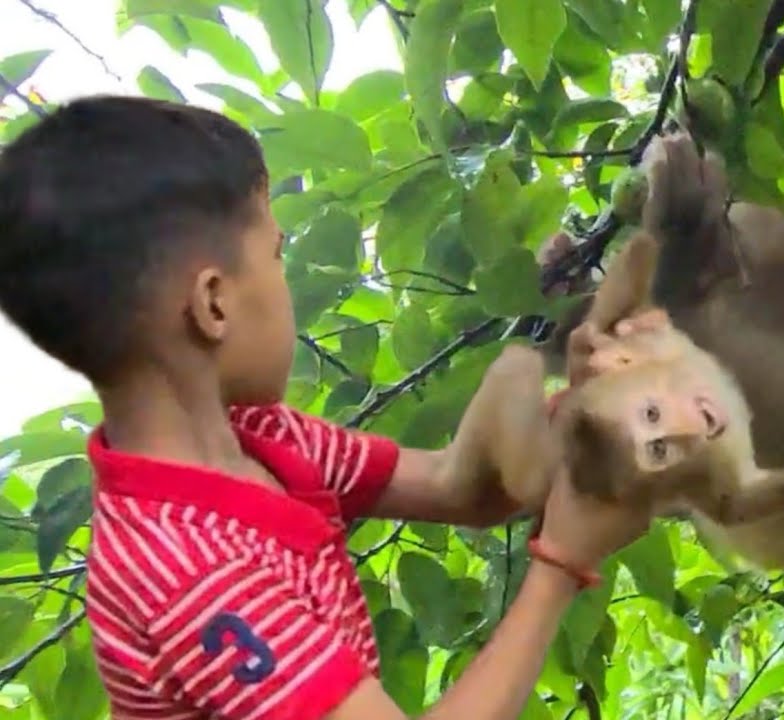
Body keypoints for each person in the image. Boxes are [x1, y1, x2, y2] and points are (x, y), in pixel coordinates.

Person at [0, 94, 653, 719]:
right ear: (213, 304)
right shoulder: (191, 573)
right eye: (277, 253)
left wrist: (568, 401)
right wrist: (564, 561)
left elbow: (461, 488)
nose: (287, 276)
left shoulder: (260, 439)